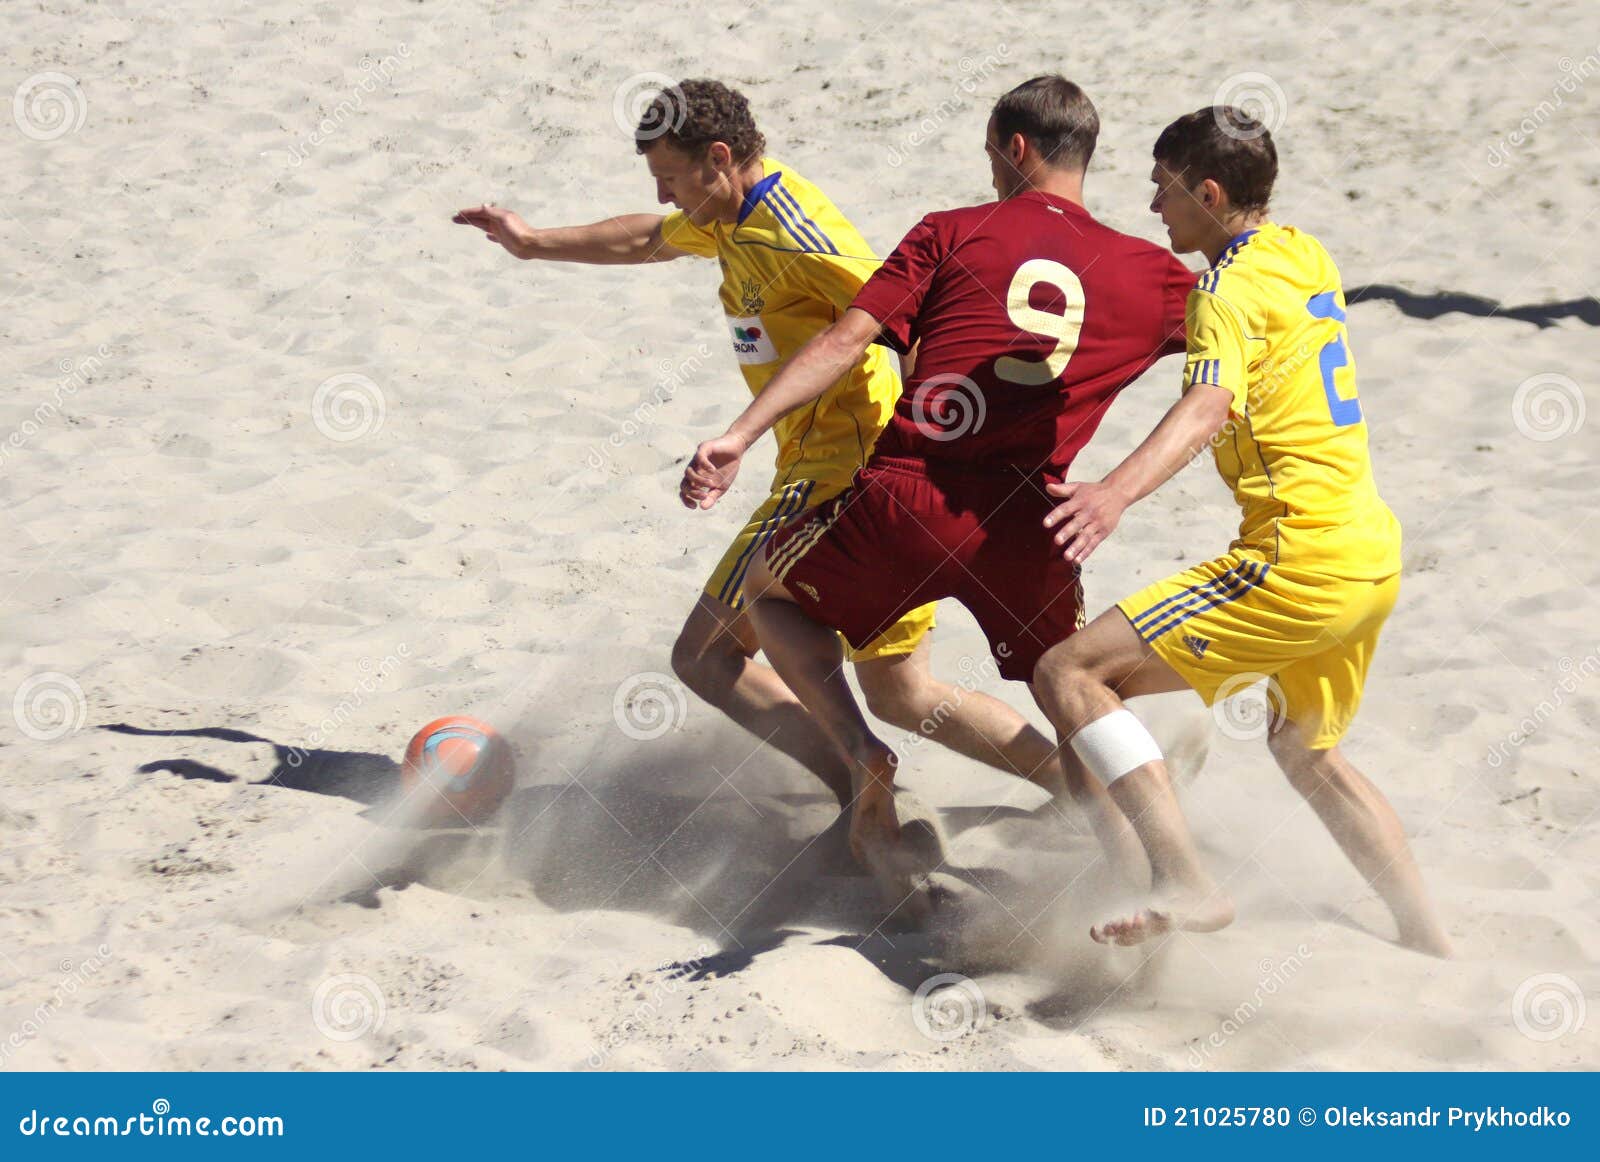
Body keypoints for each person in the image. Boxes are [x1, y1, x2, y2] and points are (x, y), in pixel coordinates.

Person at [455, 78, 1075, 821]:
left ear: (719, 158)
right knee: (904, 694)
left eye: (672, 179)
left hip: (841, 468)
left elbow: (908, 315)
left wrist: (929, 450)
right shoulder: (724, 215)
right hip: (844, 467)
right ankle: (1083, 791)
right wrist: (531, 244)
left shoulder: (795, 232)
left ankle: (859, 783)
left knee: (706, 656)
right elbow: (650, 237)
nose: (667, 196)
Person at [681, 76, 1199, 900]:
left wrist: (739, 436)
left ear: (1013, 147)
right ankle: (1142, 878)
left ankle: (859, 756)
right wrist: (1123, 486)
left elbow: (847, 341)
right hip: (1033, 525)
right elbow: (1220, 387)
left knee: (764, 592)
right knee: (1073, 695)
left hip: (907, 497)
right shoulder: (1156, 275)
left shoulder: (953, 231)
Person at [1030, 106, 1451, 955]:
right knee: (1307, 753)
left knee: (1069, 672)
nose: (1155, 208)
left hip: (1296, 558)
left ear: (1208, 191)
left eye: (1163, 189)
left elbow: (1208, 402)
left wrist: (1112, 492)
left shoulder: (1221, 290)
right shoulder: (1306, 253)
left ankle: (1184, 878)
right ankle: (1429, 941)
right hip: (1370, 555)